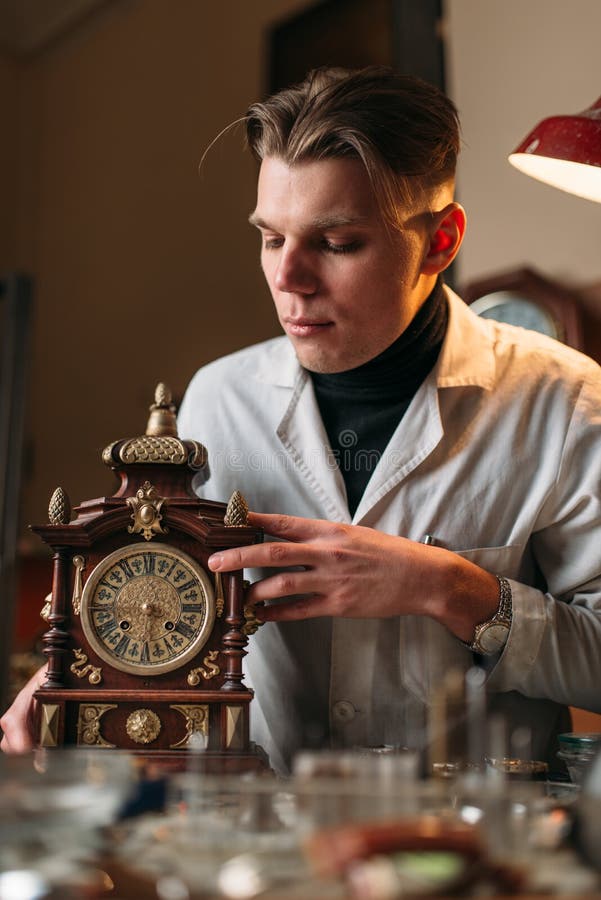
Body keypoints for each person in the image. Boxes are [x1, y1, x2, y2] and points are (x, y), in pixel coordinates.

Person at [3, 67, 601, 774]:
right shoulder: (218, 399)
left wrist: (448, 588)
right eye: (269, 238)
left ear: (439, 243)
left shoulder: (565, 403)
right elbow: (170, 593)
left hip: (465, 852)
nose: (288, 278)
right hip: (252, 840)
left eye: (337, 243)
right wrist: (66, 684)